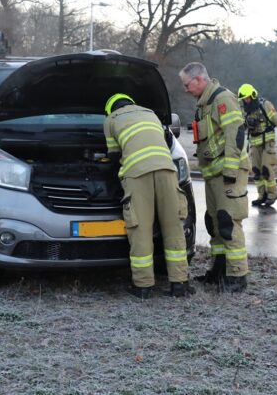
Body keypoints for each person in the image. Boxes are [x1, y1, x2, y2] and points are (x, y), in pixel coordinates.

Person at [103, 93, 191, 299]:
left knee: (140, 229)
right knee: (173, 226)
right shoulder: (151, 114)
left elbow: (114, 156)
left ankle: (143, 287)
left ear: (110, 109)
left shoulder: (111, 120)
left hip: (137, 174)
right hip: (167, 171)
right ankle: (180, 283)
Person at [178, 63, 250, 293]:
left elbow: (235, 135)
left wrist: (230, 171)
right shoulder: (205, 104)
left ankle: (237, 276)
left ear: (199, 79)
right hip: (213, 176)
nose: (185, 89)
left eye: (187, 84)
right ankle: (219, 271)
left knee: (228, 222)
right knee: (215, 224)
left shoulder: (223, 99)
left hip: (228, 174)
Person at [237, 84, 277, 207]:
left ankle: (272, 194)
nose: (246, 101)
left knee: (266, 168)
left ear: (253, 96)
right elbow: (242, 126)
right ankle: (261, 195)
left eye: (247, 98)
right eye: (244, 99)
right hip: (254, 143)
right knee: (256, 170)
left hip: (267, 142)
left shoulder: (265, 105)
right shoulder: (244, 110)